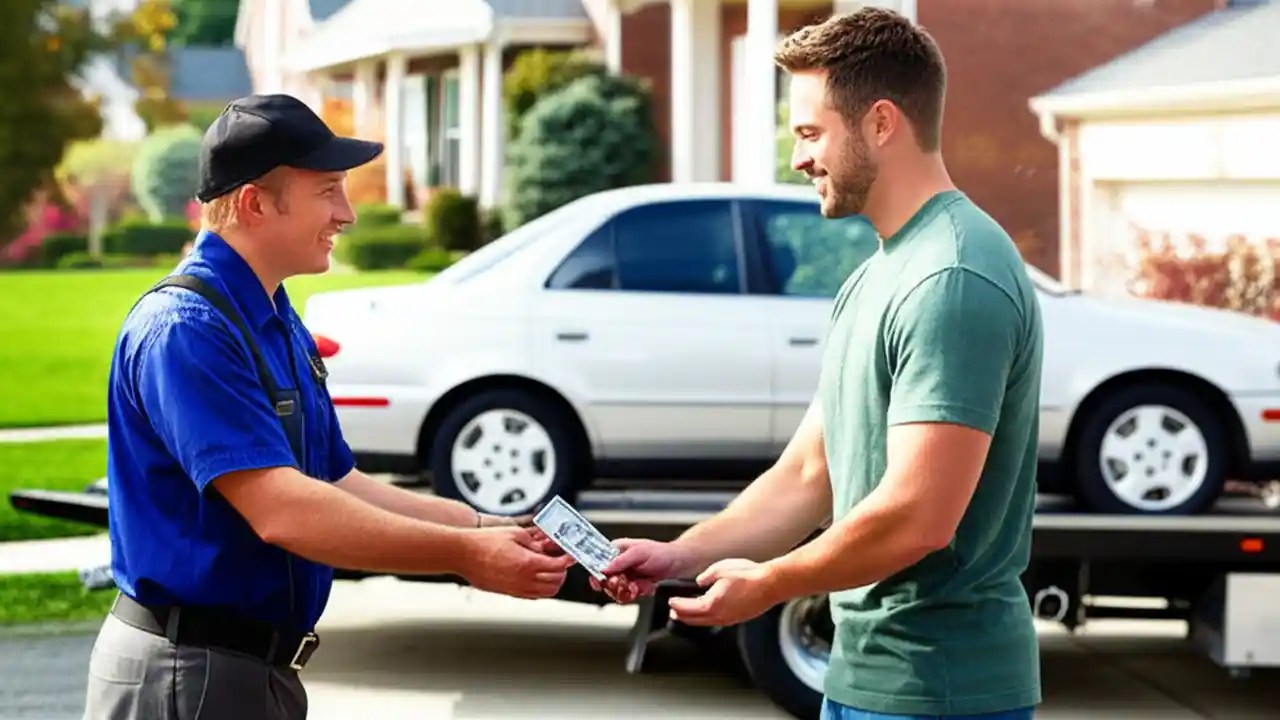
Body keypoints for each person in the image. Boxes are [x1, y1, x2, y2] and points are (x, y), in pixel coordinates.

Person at [594, 9, 1044, 720]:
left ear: (881, 124)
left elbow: (920, 517)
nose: (799, 157)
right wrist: (679, 557)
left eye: (810, 133)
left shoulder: (953, 277)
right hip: (862, 677)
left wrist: (770, 582)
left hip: (941, 692)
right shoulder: (878, 274)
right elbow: (809, 474)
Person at [84, 94, 574, 720]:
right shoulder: (188, 329)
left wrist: (478, 527)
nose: (346, 214)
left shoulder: (271, 314)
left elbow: (335, 481)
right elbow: (284, 512)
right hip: (190, 674)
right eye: (328, 191)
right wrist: (466, 558)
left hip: (244, 670)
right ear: (256, 202)